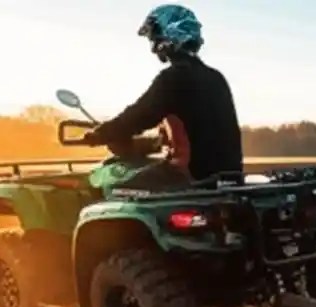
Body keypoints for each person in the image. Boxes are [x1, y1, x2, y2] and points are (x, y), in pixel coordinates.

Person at [84, 5, 244, 182]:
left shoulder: (173, 78)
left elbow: (139, 115)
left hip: (190, 176)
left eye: (154, 38)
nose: (153, 48)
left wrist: (103, 133)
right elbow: (200, 130)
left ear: (169, 36)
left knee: (111, 184)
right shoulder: (216, 78)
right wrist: (152, 143)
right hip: (228, 178)